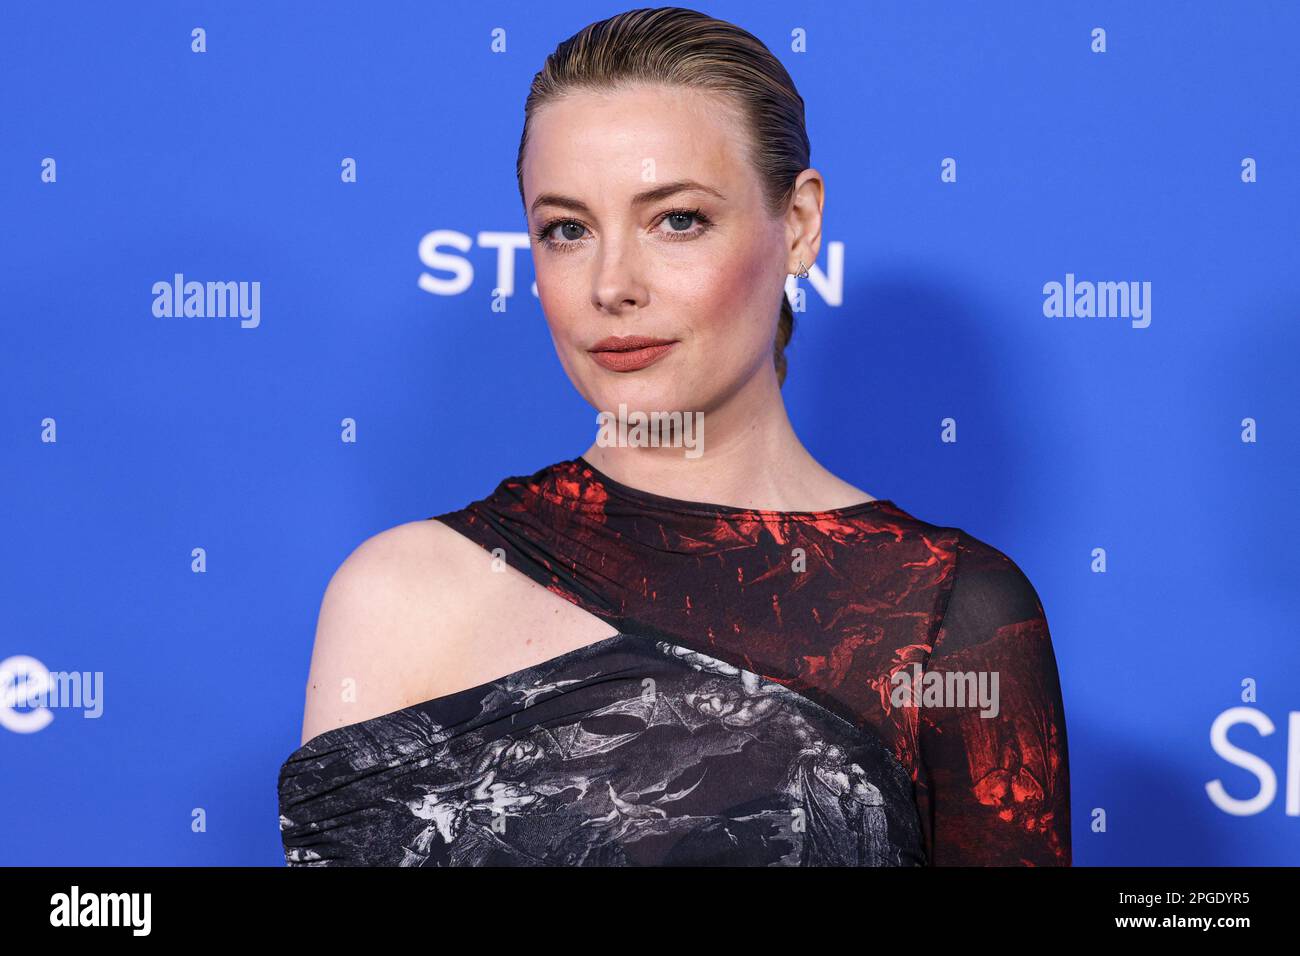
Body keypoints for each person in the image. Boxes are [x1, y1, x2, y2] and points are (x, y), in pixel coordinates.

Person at [278, 6, 1071, 866]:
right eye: (566, 230)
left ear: (799, 224)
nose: (612, 284)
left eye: (678, 219)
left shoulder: (948, 611)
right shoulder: (397, 596)